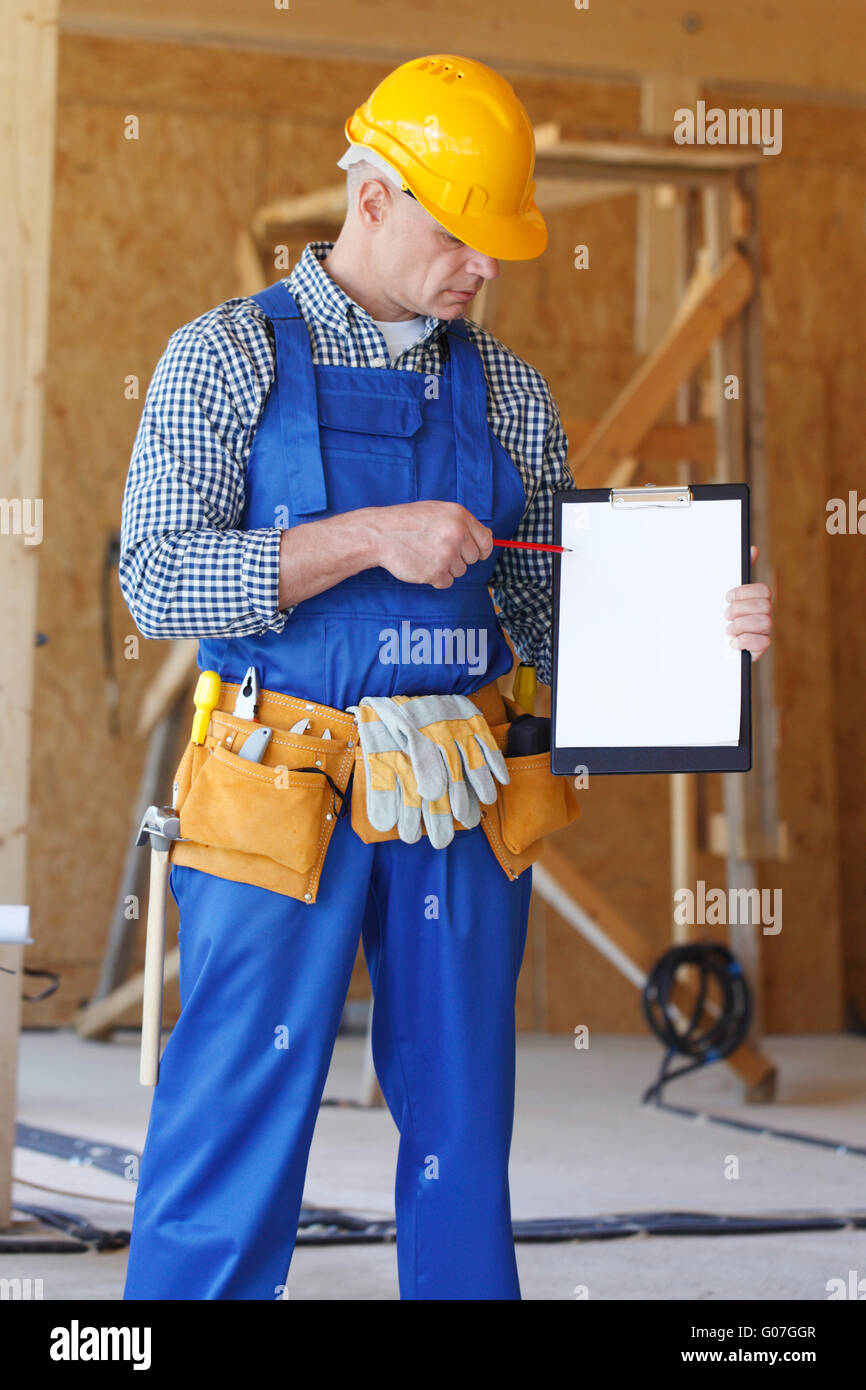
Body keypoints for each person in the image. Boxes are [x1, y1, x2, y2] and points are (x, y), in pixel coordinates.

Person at [118, 53, 773, 1302]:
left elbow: (547, 612)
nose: (483, 267)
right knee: (234, 1114)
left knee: (462, 1130)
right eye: (459, 235)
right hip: (276, 788)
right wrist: (373, 535)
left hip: (457, 795)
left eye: (495, 244)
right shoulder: (221, 359)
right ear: (370, 197)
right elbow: (156, 577)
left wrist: (705, 633)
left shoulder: (508, 391)